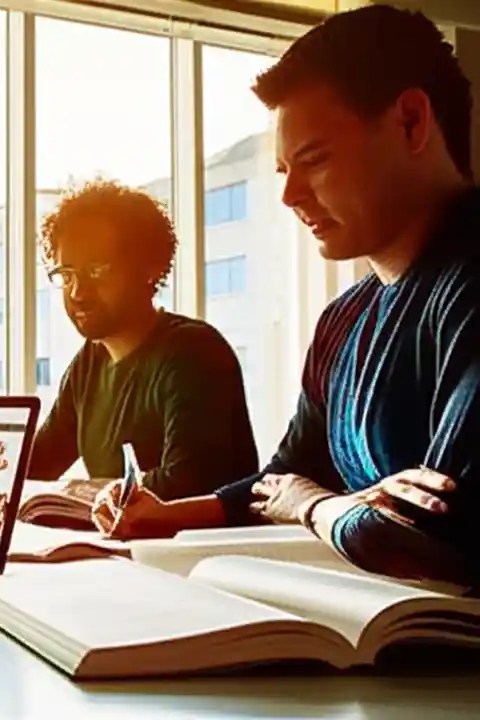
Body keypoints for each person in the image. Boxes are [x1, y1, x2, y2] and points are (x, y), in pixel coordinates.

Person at [94, 5, 479, 586]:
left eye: (315, 160)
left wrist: (313, 506)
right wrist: (167, 517)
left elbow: (439, 540)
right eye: (282, 171)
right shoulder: (344, 320)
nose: (291, 195)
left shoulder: (469, 285)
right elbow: (283, 479)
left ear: (411, 121)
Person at [28, 178, 258, 500]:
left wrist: (82, 491)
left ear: (150, 268)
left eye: (97, 270)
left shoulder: (194, 352)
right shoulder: (89, 362)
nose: (78, 292)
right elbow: (35, 466)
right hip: (125, 546)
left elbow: (188, 483)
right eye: (66, 275)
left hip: (192, 548)